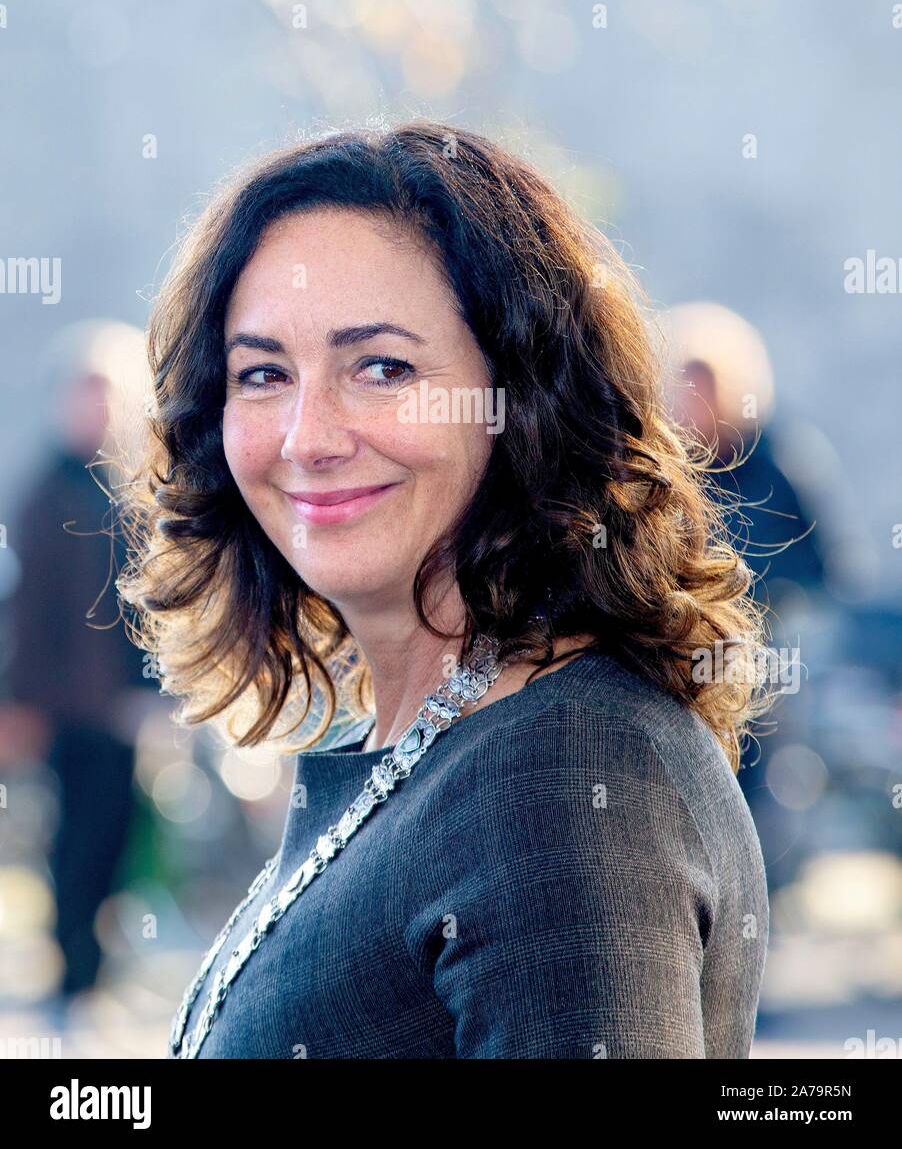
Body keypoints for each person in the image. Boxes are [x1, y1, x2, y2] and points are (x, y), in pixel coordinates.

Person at [119, 120, 774, 1059]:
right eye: (262, 374)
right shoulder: (433, 738)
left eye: (381, 367)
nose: (308, 435)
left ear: (521, 401)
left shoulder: (563, 777)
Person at [4, 322, 152, 1000]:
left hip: (121, 707)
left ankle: (94, 958)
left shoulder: (123, 490)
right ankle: (73, 967)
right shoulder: (45, 496)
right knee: (75, 837)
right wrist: (20, 703)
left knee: (119, 829)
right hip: (65, 706)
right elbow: (29, 614)